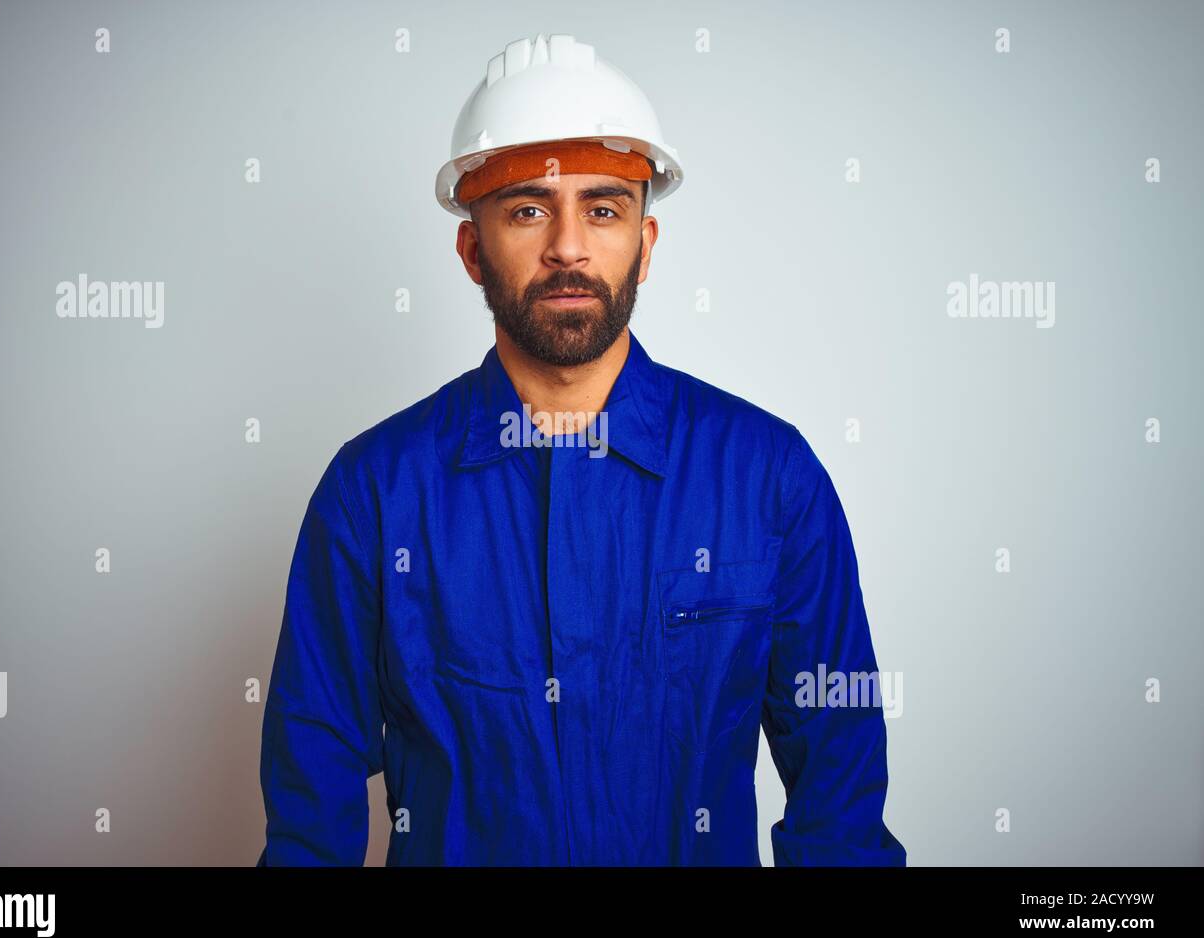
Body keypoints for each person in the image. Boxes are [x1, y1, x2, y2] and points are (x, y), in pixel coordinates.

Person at [257, 32, 905, 866]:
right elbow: (312, 814)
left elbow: (841, 804)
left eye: (603, 208)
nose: (569, 245)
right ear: (470, 248)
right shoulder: (373, 494)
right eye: (528, 208)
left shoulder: (768, 479)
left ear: (646, 242)